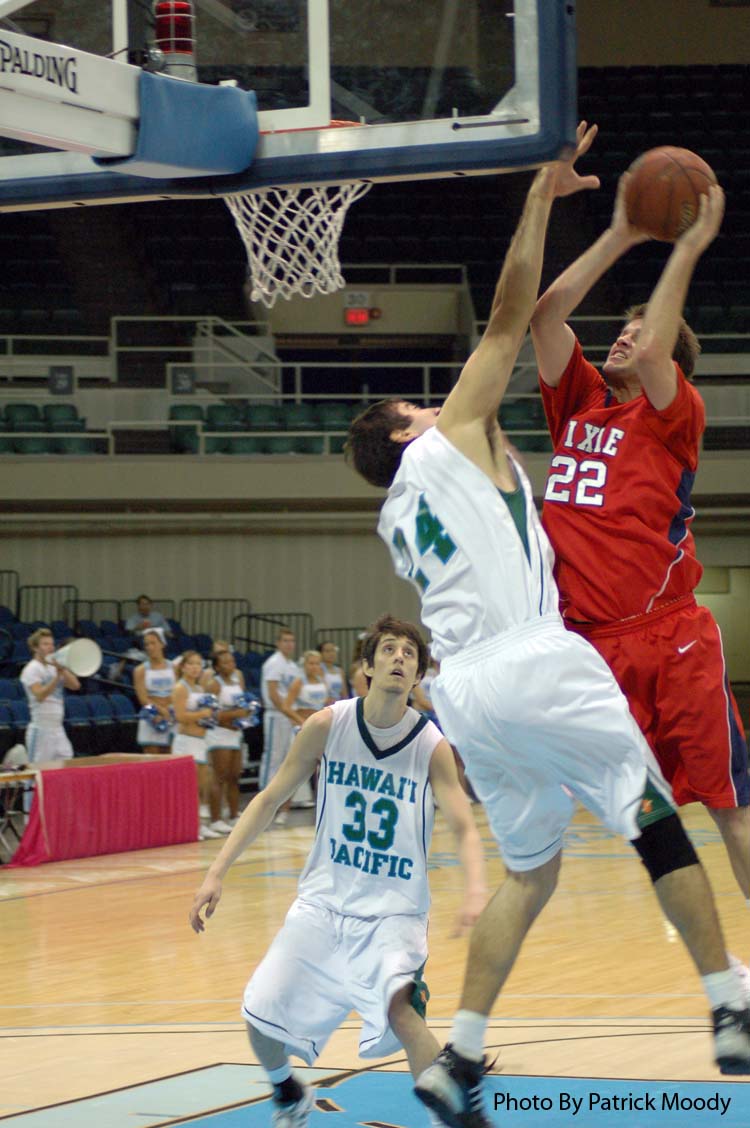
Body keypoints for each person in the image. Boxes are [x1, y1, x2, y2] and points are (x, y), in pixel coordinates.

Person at [346, 127, 750, 1125]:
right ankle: (730, 1002)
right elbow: (513, 316)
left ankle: (460, 1055)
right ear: (410, 435)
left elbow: (574, 330)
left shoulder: (397, 509)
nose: (437, 406)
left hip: (482, 688)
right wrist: (551, 206)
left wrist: (626, 233)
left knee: (536, 867)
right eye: (419, 407)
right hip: (548, 653)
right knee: (652, 819)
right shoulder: (464, 445)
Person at [530, 151, 750, 964]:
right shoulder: (580, 404)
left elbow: (658, 349)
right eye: (620, 331)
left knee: (729, 805)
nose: (624, 338)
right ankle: (717, 972)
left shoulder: (673, 415)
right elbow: (546, 317)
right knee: (640, 816)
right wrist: (624, 231)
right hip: (591, 650)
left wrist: (687, 247)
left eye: (635, 331)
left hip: (671, 637)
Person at [189, 614, 486, 1128]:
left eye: (409, 653)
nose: (399, 657)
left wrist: (476, 887)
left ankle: (450, 1117)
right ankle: (287, 1091)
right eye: (388, 649)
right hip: (322, 904)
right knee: (257, 1015)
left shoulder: (430, 744)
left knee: (402, 1012)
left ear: (419, 676)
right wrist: (216, 871)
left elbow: (463, 823)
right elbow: (269, 798)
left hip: (394, 910)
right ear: (367, 666)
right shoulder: (329, 724)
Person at [172, 649, 222, 840]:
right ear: (183, 667)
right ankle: (189, 826)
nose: (195, 668)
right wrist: (202, 715)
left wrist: (208, 718)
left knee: (203, 785)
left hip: (201, 740)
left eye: (198, 664)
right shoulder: (180, 688)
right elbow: (180, 716)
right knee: (189, 787)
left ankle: (201, 824)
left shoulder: (200, 689)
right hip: (186, 741)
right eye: (191, 664)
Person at [204, 648, 253, 831]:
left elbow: (243, 706)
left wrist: (245, 715)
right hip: (219, 734)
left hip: (235, 733)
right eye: (225, 662)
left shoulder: (236, 681)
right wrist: (236, 715)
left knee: (234, 776)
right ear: (217, 666)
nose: (230, 665)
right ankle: (215, 819)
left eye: (232, 661)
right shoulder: (213, 685)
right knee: (219, 776)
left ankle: (233, 815)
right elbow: (211, 715)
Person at [260, 629, 303, 824]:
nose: (289, 644)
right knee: (273, 759)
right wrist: (287, 712)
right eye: (285, 640)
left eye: (292, 640)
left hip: (289, 715)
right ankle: (263, 805)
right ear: (277, 643)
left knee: (289, 760)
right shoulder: (274, 663)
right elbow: (273, 693)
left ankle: (282, 805)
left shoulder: (293, 666)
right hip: (276, 715)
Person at [20, 628, 80, 762]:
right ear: (35, 648)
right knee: (39, 771)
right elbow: (40, 696)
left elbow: (75, 685)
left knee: (66, 761)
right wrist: (56, 677)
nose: (50, 648)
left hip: (58, 728)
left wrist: (62, 669)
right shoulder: (31, 669)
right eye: (45, 644)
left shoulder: (54, 667)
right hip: (41, 729)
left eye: (52, 644)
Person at [133, 628, 175, 754]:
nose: (150, 647)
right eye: (146, 644)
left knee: (170, 760)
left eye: (153, 643)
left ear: (162, 644)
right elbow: (143, 698)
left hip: (170, 716)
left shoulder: (174, 667)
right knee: (152, 762)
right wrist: (161, 711)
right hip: (151, 717)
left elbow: (177, 692)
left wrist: (169, 710)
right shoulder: (140, 670)